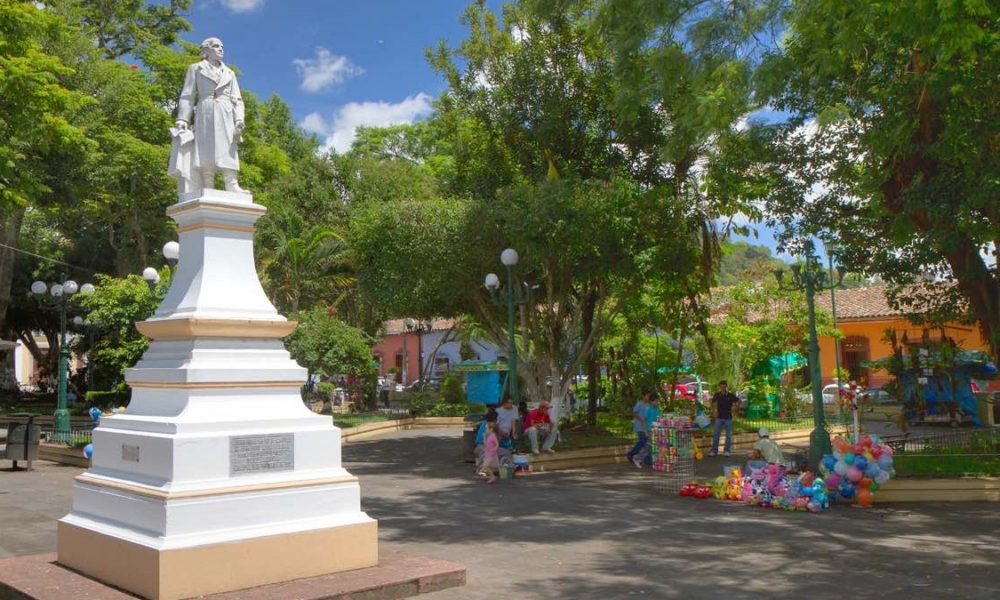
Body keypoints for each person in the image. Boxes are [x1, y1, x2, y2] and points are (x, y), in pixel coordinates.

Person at [172, 37, 246, 196]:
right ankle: (208, 182)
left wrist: (239, 119)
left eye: (222, 46)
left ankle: (231, 182)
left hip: (226, 112)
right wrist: (182, 119)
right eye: (216, 46)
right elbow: (187, 95)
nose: (221, 49)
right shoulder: (196, 68)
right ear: (206, 50)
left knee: (228, 147)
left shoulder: (230, 73)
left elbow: (237, 99)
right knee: (205, 146)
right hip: (205, 110)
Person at [710, 380, 740, 457]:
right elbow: (712, 402)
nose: (723, 388)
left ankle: (727, 451)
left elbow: (739, 401)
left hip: (728, 418)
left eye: (724, 387)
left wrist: (736, 409)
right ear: (719, 387)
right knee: (716, 434)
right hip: (719, 418)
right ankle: (714, 451)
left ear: (726, 387)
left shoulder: (730, 395)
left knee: (728, 435)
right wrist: (713, 412)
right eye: (721, 387)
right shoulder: (717, 395)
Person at [632, 393, 661, 468]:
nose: (657, 403)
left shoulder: (658, 409)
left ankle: (654, 462)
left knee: (653, 447)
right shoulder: (648, 409)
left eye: (658, 401)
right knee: (649, 446)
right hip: (649, 430)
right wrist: (646, 432)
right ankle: (637, 458)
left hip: (656, 430)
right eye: (656, 401)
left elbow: (659, 419)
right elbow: (643, 421)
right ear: (652, 401)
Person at [626, 390, 653, 465]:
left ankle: (647, 459)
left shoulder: (649, 405)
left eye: (649, 396)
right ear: (643, 396)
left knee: (647, 443)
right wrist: (641, 420)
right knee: (642, 441)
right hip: (639, 426)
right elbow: (634, 413)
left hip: (646, 427)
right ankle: (631, 454)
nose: (648, 397)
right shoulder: (639, 404)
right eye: (647, 396)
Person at [480, 419, 500, 484]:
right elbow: (485, 444)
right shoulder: (488, 436)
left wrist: (495, 448)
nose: (485, 430)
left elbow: (497, 443)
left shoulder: (493, 436)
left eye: (486, 428)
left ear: (491, 429)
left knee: (486, 466)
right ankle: (492, 476)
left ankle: (492, 477)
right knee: (487, 466)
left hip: (491, 454)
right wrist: (484, 437)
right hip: (487, 454)